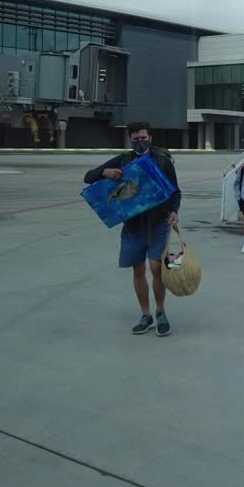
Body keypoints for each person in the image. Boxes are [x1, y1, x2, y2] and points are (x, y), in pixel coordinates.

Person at [83, 122, 182, 337]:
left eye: (143, 137)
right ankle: (146, 315)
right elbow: (88, 177)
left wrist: (174, 211)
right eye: (135, 138)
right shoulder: (124, 160)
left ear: (150, 137)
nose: (140, 142)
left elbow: (175, 191)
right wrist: (105, 172)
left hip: (158, 223)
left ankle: (161, 312)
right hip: (133, 226)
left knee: (156, 268)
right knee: (138, 271)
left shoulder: (163, 160)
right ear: (130, 139)